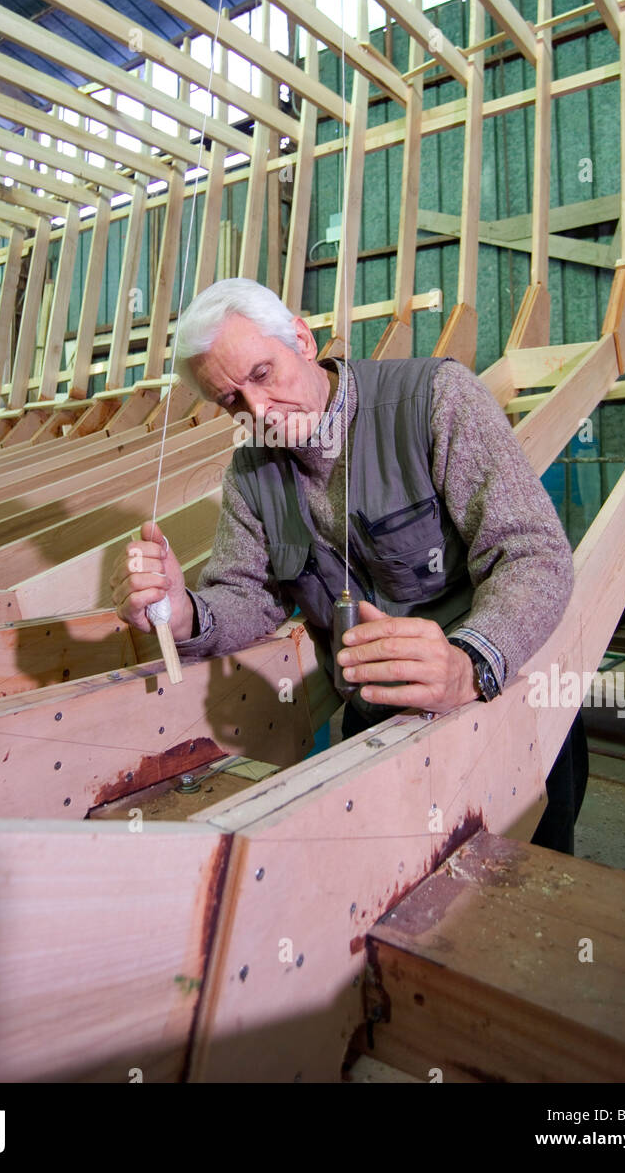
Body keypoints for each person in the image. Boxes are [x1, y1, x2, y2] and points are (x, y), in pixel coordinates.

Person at [110, 279, 588, 853]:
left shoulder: (434, 399)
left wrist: (468, 662)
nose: (258, 410)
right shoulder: (250, 475)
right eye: (231, 400)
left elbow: (531, 553)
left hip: (502, 699)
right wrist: (184, 612)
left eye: (262, 374)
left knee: (524, 894)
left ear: (303, 340)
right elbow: (245, 598)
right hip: (375, 726)